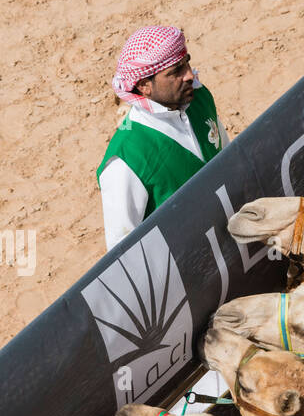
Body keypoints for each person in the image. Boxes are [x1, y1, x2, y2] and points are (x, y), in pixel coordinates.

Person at [97, 26, 229, 250]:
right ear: (144, 85)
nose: (189, 75)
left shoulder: (199, 99)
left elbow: (227, 158)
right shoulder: (126, 159)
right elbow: (123, 250)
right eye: (175, 71)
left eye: (186, 62)